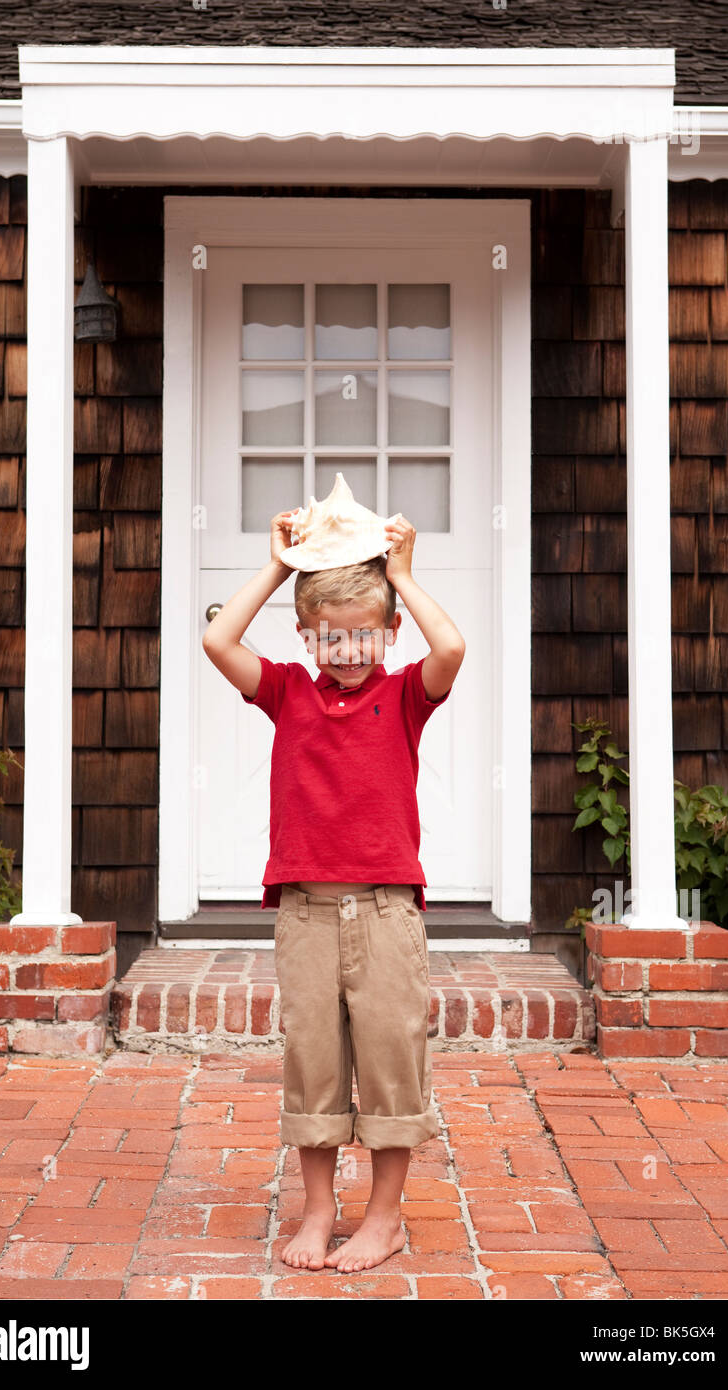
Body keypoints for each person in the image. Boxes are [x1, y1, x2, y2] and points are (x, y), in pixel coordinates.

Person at [202, 505, 465, 1271]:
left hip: (386, 914)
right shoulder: (288, 693)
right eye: (330, 634)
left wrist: (401, 577)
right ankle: (317, 1211)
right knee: (313, 1063)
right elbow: (219, 638)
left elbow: (449, 643)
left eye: (363, 633)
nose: (347, 648)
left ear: (387, 634)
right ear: (306, 635)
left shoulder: (408, 694)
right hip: (305, 913)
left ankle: (384, 1218)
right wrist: (282, 565)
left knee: (390, 1062)